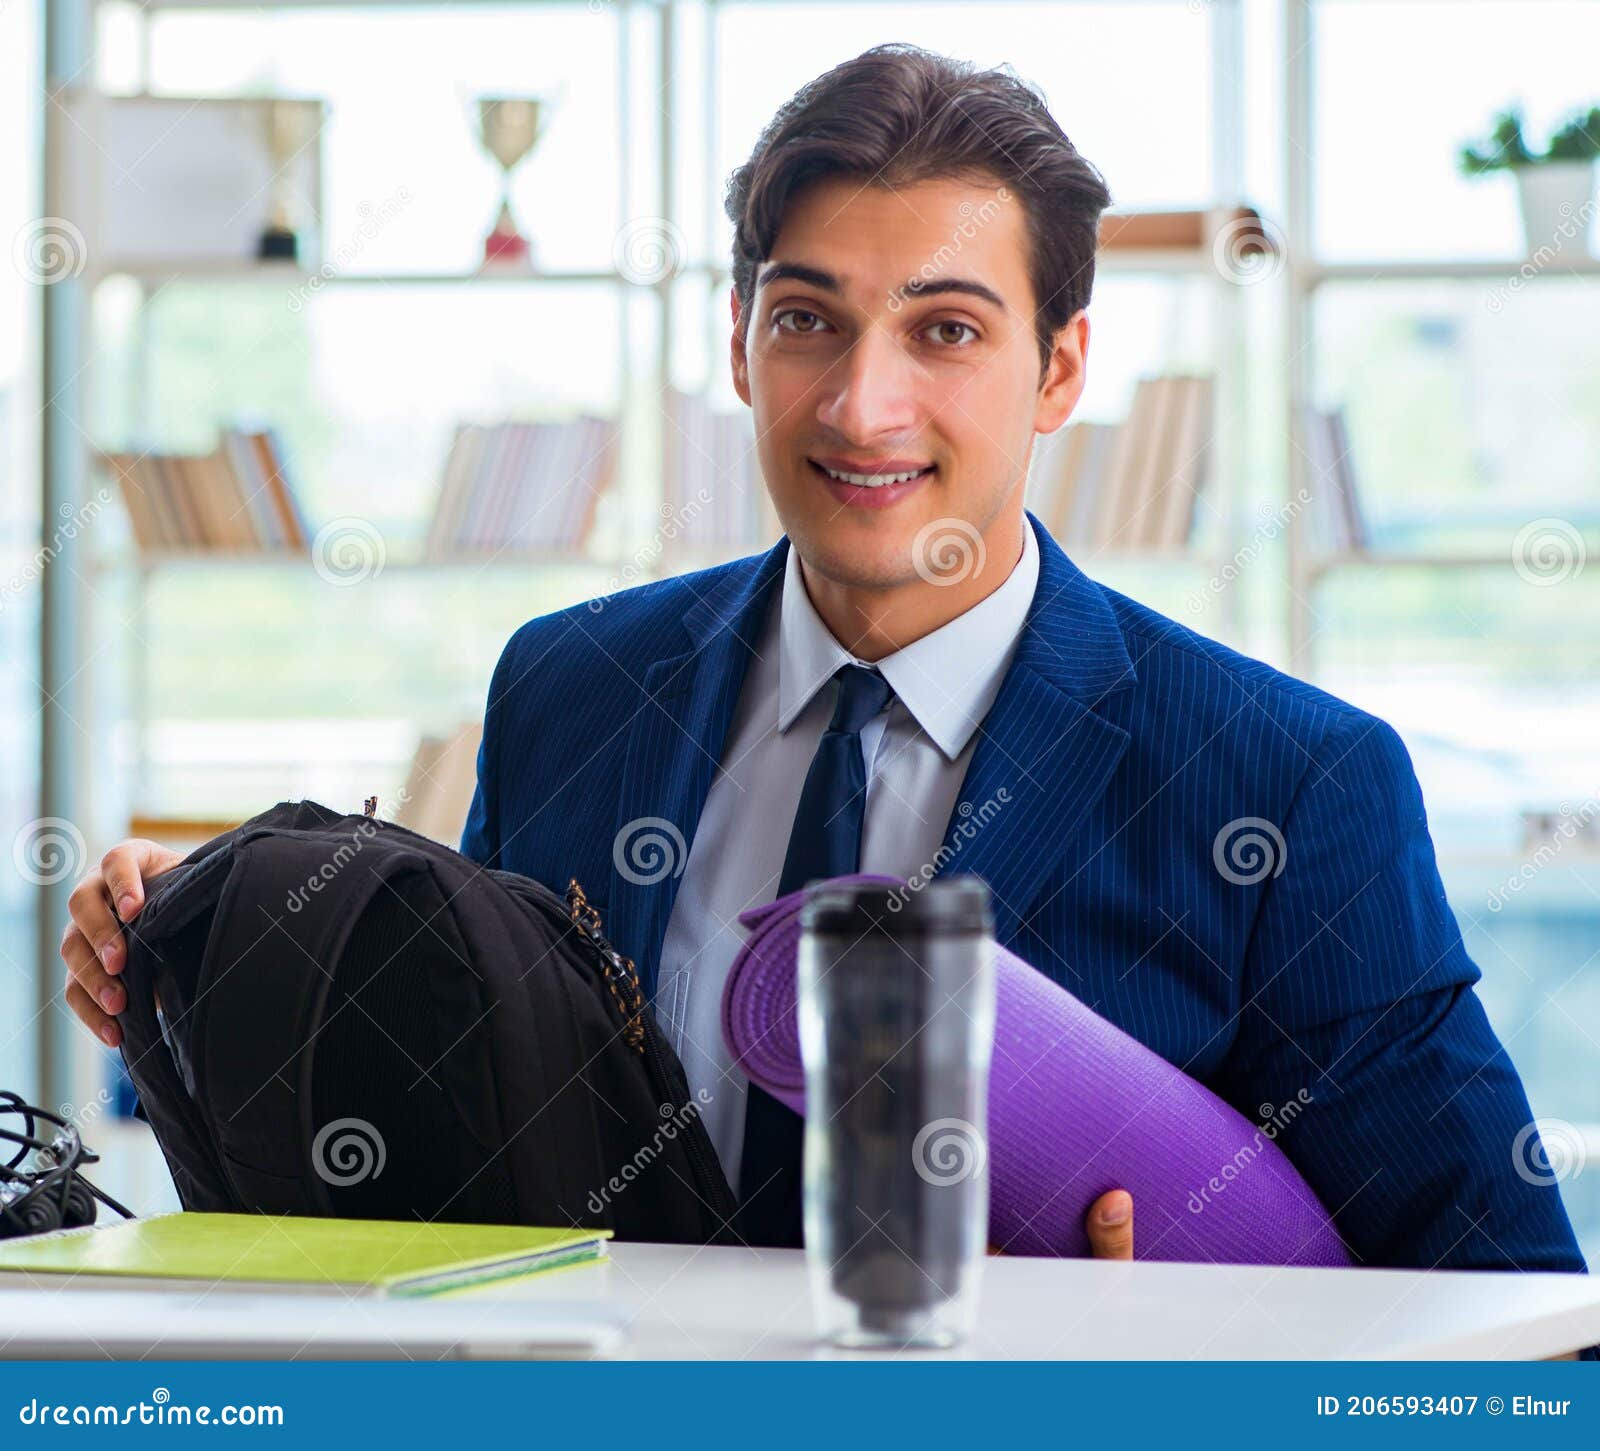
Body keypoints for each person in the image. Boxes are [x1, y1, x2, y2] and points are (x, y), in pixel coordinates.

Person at [62, 46, 1589, 1296]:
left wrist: (1198, 1342)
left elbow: (1509, 1298)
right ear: (739, 342)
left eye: (945, 330)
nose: (865, 405)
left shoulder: (1287, 779)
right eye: (810, 320)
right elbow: (469, 1128)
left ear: (1060, 367)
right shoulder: (574, 689)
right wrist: (191, 968)